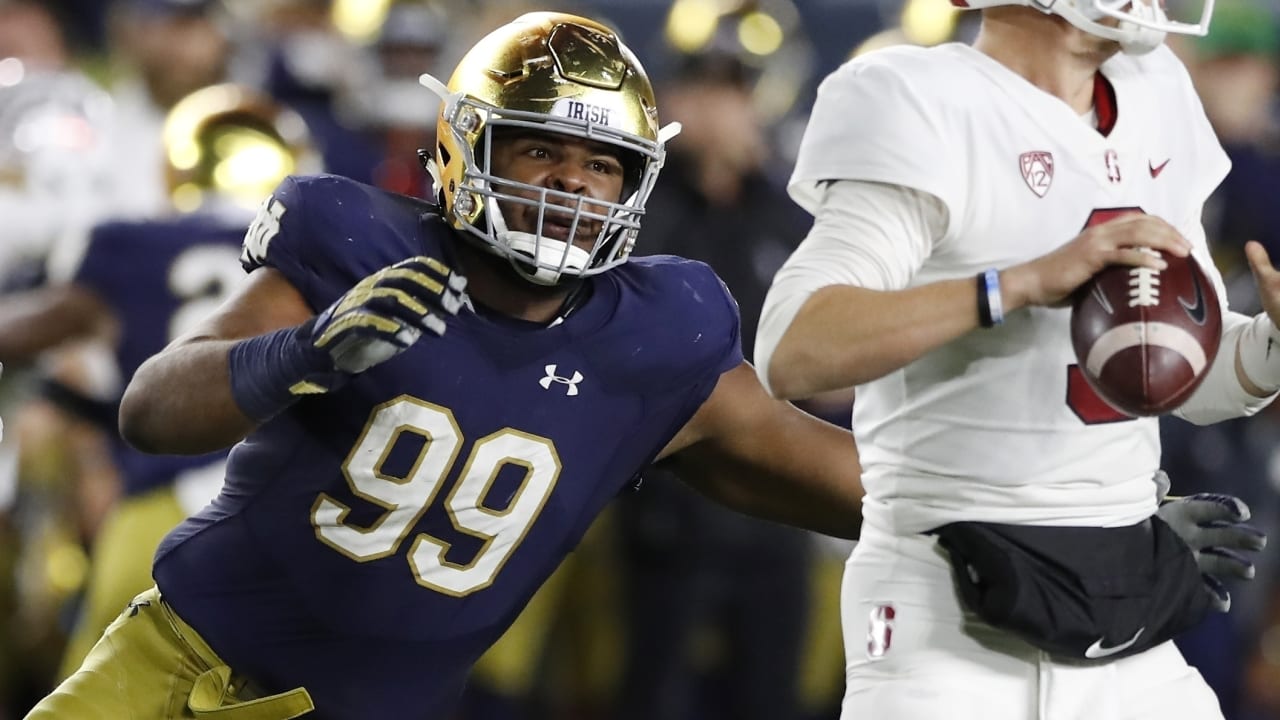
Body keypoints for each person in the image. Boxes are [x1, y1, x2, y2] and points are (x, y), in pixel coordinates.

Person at [26, 13, 866, 720]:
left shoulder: (658, 331)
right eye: (540, 148)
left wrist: (983, 499)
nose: (572, 182)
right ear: (468, 146)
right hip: (175, 671)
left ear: (636, 185)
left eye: (602, 164)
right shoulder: (361, 243)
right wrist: (304, 353)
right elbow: (153, 411)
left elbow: (845, 480)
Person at [753, 1, 1276, 718]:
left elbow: (1178, 370)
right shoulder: (924, 98)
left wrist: (1272, 346)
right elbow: (794, 349)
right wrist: (1019, 284)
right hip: (951, 621)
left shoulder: (1156, 91)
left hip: (1126, 612)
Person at [0, 83, 319, 684]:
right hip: (291, 514)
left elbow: (33, 327)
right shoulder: (321, 251)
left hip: (162, 511)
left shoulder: (130, 244)